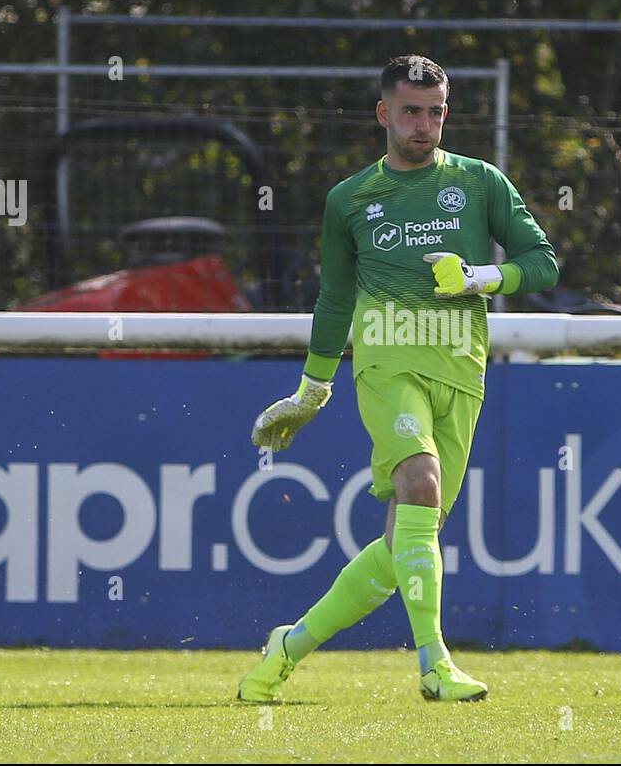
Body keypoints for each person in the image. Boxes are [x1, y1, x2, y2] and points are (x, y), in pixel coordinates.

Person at [239, 54, 559, 702]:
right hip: (386, 363)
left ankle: (289, 644)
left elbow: (543, 263)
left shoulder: (480, 183)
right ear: (384, 113)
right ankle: (435, 664)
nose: (425, 124)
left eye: (436, 111)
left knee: (401, 546)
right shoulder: (351, 199)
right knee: (420, 482)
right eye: (411, 111)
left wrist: (482, 278)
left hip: (462, 371)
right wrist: (313, 389)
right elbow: (334, 301)